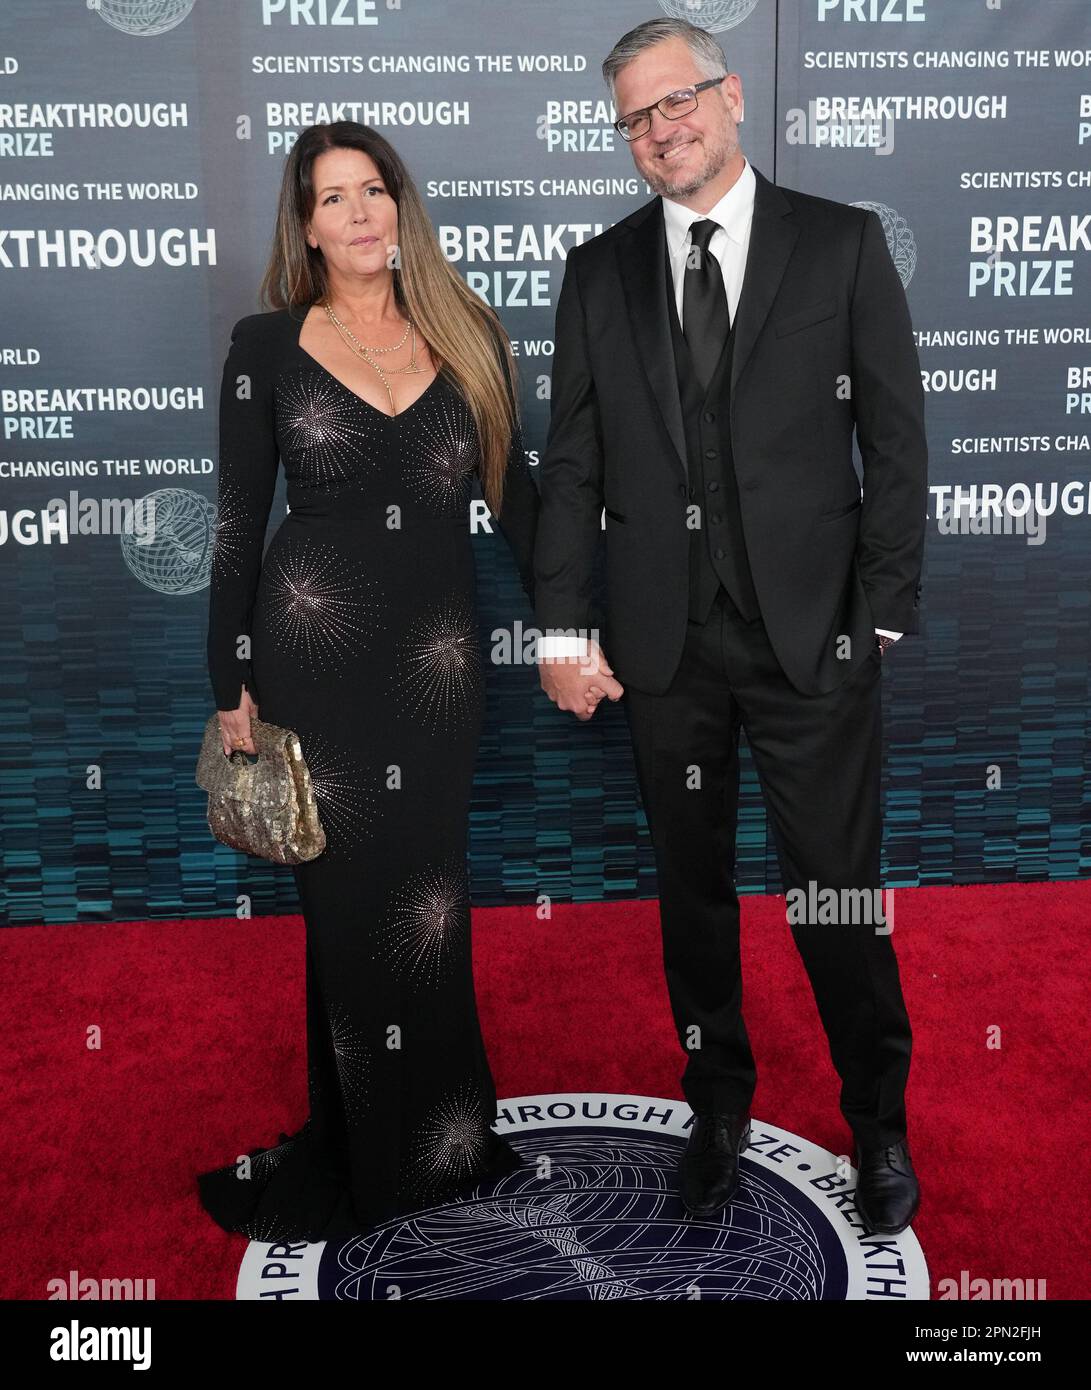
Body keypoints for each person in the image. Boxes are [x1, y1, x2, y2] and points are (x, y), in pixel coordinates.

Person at [534, 17, 927, 1235]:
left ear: (731, 94)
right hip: (665, 649)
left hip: (812, 640)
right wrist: (559, 627)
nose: (663, 130)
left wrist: (882, 615)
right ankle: (715, 1103)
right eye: (638, 119)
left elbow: (897, 443)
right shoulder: (596, 272)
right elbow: (574, 465)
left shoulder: (841, 244)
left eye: (679, 100)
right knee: (690, 893)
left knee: (833, 897)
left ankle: (877, 1121)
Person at [198, 121, 538, 1243]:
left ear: (400, 205)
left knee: (431, 907)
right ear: (304, 224)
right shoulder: (265, 343)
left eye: (372, 189)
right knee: (348, 913)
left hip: (438, 667)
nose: (356, 212)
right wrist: (228, 675)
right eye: (330, 196)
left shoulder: (468, 335)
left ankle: (444, 1139)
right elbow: (240, 525)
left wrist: (579, 626)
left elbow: (523, 504)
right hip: (317, 672)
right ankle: (363, 1155)